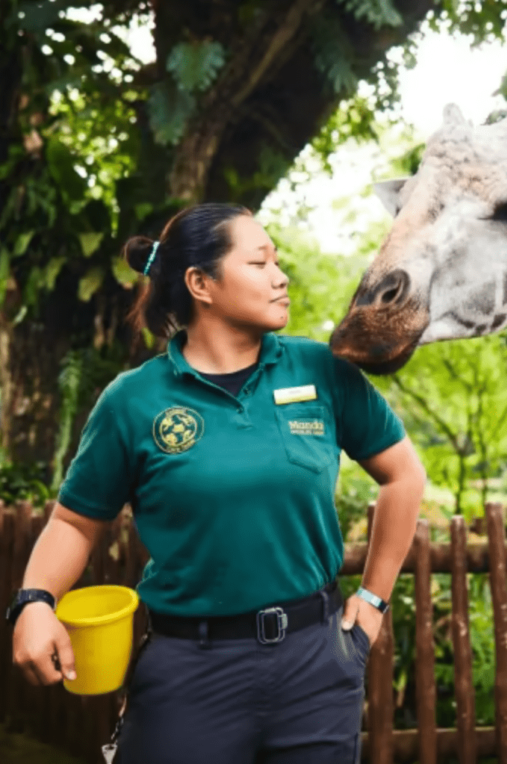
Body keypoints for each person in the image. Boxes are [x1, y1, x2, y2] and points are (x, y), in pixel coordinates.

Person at [7, 203, 426, 763]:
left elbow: (403, 475)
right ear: (200, 283)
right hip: (188, 668)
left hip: (316, 666)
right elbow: (75, 522)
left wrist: (372, 602)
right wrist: (35, 601)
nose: (281, 277)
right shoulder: (132, 401)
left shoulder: (322, 370)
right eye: (259, 263)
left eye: (278, 261)